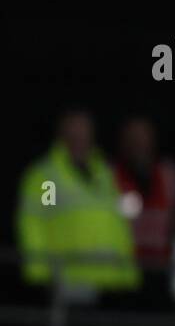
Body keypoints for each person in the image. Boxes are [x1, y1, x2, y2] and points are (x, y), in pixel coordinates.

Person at [16, 109, 139, 295]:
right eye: (73, 131)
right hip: (69, 282)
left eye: (84, 131)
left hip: (113, 284)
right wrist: (39, 276)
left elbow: (120, 225)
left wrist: (130, 275)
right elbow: (36, 224)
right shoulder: (48, 179)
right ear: (61, 135)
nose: (79, 137)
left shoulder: (105, 174)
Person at [113, 116, 175, 273]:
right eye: (132, 137)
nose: (138, 143)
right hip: (123, 268)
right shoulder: (109, 175)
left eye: (142, 136)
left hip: (162, 267)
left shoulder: (168, 175)